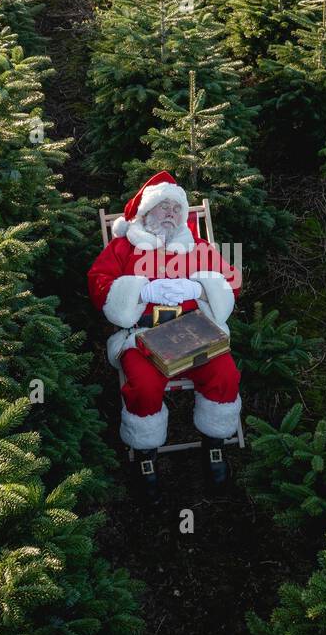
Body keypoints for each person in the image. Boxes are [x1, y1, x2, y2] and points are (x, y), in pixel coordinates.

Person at [87, 171, 242, 501]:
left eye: (176, 207)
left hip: (194, 329)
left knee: (225, 373)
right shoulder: (123, 248)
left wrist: (200, 286)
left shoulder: (197, 247)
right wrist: (142, 289)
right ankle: (146, 454)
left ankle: (214, 444)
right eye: (163, 206)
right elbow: (99, 283)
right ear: (145, 213)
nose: (171, 212)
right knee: (143, 385)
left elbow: (232, 282)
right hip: (143, 335)